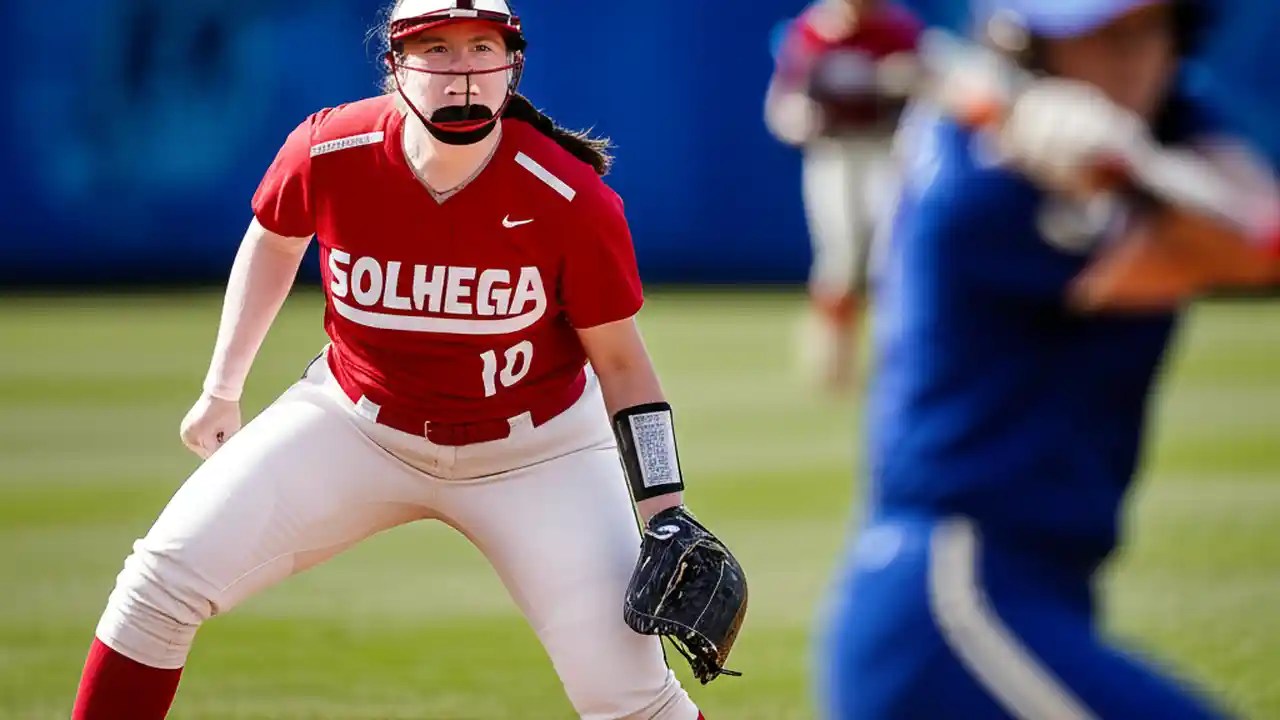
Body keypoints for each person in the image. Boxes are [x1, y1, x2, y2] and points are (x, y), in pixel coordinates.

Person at [70, 1, 745, 717]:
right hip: (355, 424)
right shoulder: (331, 149)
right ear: (394, 66)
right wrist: (221, 387)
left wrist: (665, 507)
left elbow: (621, 364)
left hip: (538, 452)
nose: (462, 75)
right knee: (157, 586)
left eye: (483, 49)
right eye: (438, 51)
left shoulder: (567, 197)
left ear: (512, 67)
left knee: (632, 699)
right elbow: (273, 236)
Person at [819, 0, 1280, 717]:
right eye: (1096, 38)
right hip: (951, 602)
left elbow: (1256, 209)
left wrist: (1136, 162)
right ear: (1028, 46)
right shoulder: (980, 177)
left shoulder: (1163, 116)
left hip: (1042, 596)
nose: (1129, 59)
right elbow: (1233, 251)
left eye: (1147, 30)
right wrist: (1135, 177)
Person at [764, 0, 922, 392]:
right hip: (834, 151)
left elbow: (927, 90)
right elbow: (783, 101)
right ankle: (832, 362)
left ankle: (897, 357)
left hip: (888, 148)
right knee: (841, 256)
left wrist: (903, 81)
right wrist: (796, 116)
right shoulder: (813, 30)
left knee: (891, 253)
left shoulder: (899, 30)